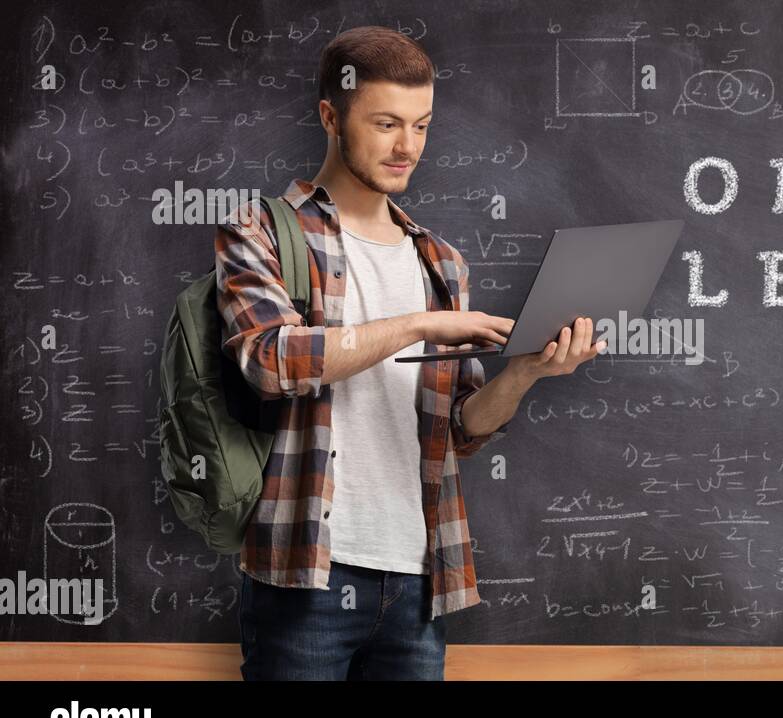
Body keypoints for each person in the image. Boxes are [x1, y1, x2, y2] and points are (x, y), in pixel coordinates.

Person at [215, 25, 604, 680]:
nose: (407, 147)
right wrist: (421, 324)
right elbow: (270, 360)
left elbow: (460, 429)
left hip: (419, 577)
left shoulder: (441, 261)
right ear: (330, 117)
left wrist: (530, 372)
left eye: (421, 126)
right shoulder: (262, 230)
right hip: (305, 573)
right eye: (387, 123)